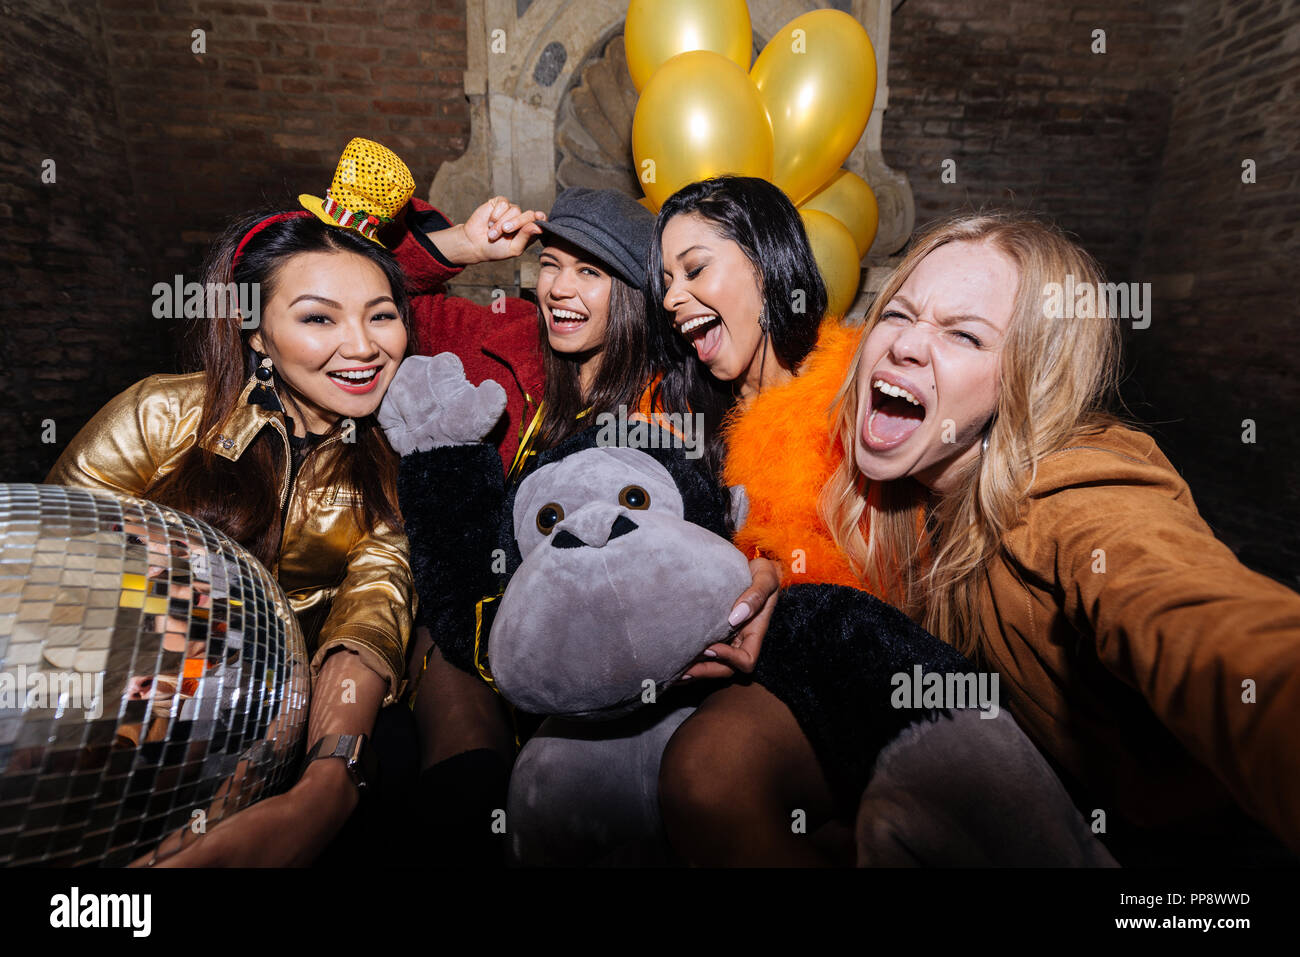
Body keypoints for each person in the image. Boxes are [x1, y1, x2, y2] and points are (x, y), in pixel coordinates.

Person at [664, 211, 1300, 865]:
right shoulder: (900, 489)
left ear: (1026, 379)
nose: (906, 346)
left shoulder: (1071, 485)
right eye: (899, 314)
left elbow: (1201, 619)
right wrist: (765, 588)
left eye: (965, 335)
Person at [47, 205, 415, 866]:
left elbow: (369, 619)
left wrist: (327, 782)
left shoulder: (395, 466)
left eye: (381, 314)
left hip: (284, 723)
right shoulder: (158, 416)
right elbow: (53, 570)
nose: (363, 346)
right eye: (318, 317)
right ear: (255, 332)